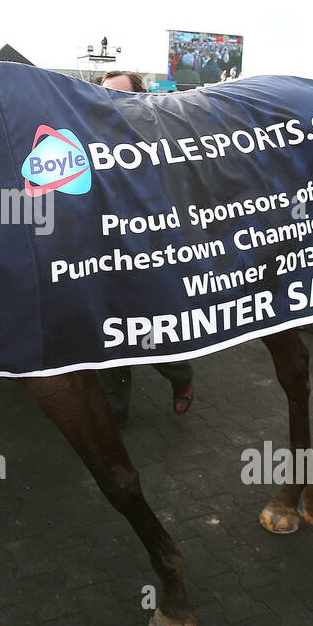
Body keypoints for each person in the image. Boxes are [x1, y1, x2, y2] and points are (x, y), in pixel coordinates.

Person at [95, 71, 196, 421]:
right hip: (103, 253)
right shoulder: (88, 133)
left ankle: (181, 376)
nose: (111, 101)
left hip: (150, 252)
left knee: (149, 330)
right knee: (109, 335)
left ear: (142, 97)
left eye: (121, 95)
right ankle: (116, 411)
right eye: (104, 93)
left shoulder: (161, 137)